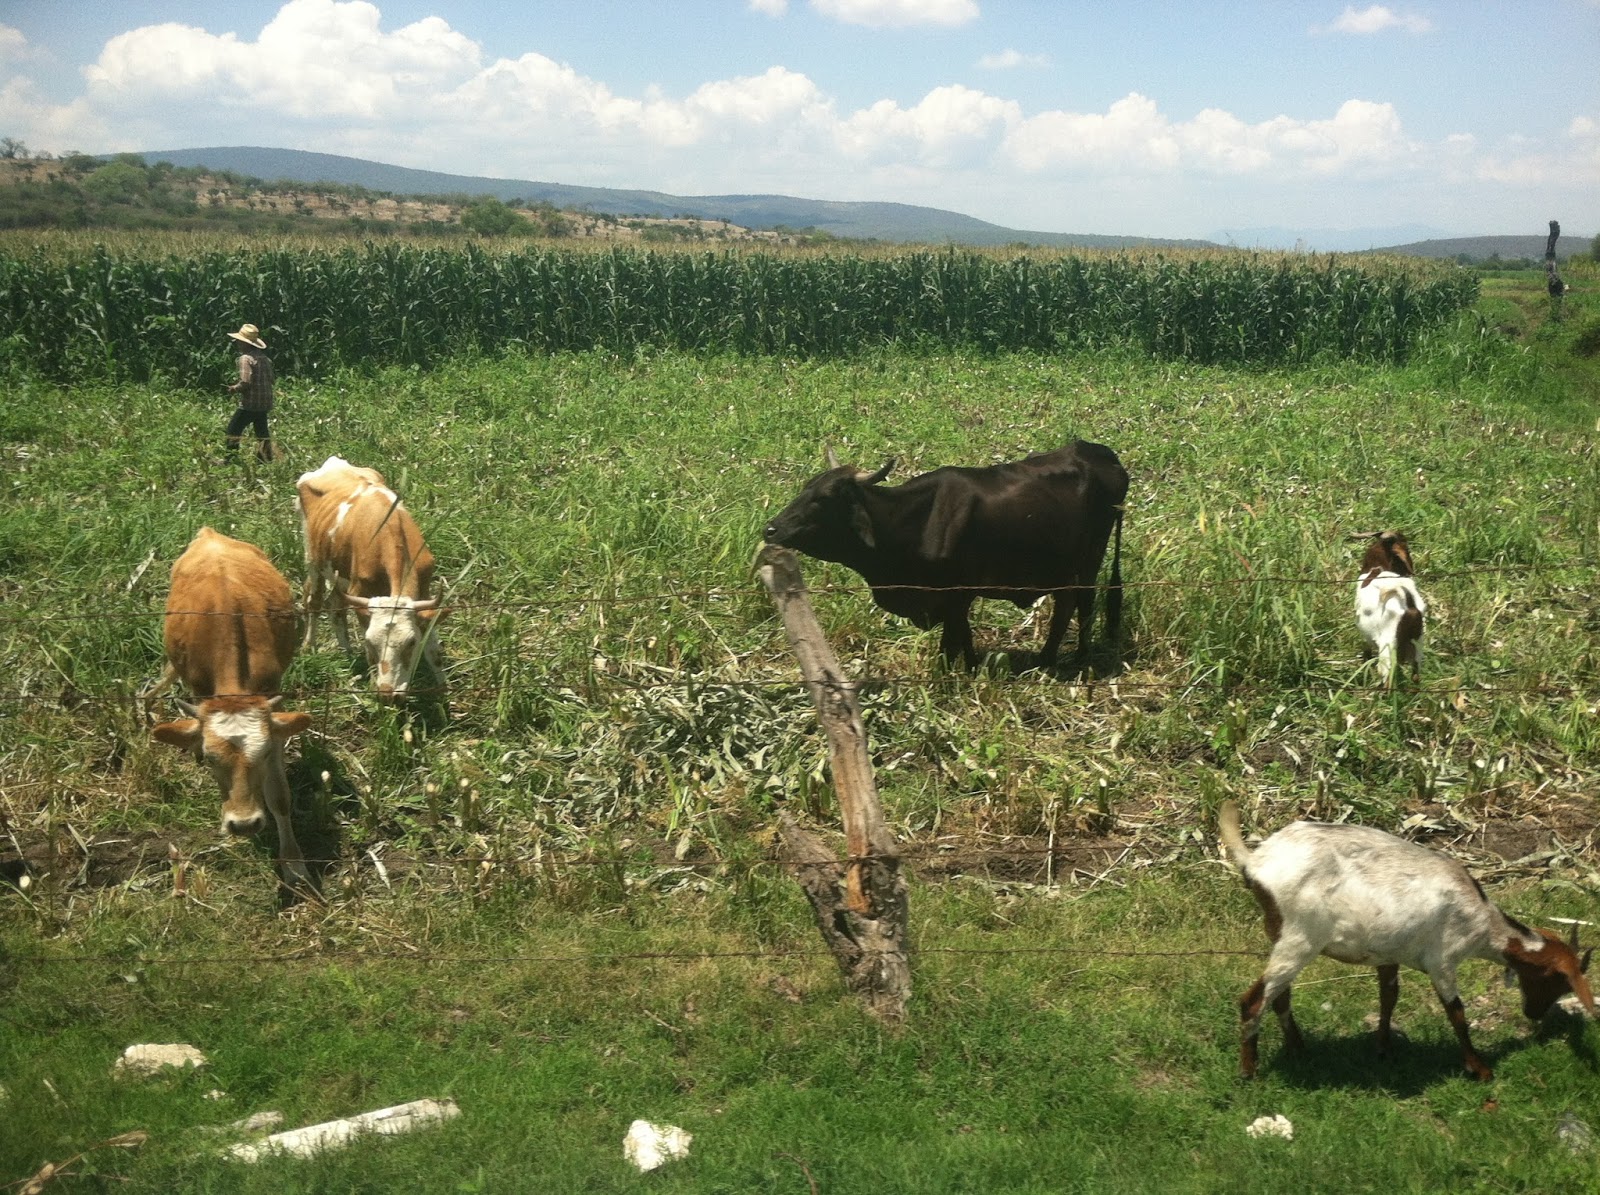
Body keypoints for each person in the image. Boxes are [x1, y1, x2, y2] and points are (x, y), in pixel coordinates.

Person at [223, 322, 277, 462]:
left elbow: (246, 382)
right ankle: (265, 459)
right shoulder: (265, 359)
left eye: (240, 342)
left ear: (245, 344)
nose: (238, 344)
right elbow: (271, 379)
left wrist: (234, 388)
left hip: (250, 403)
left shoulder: (245, 359)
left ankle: (231, 459)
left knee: (233, 430)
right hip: (265, 402)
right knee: (261, 432)